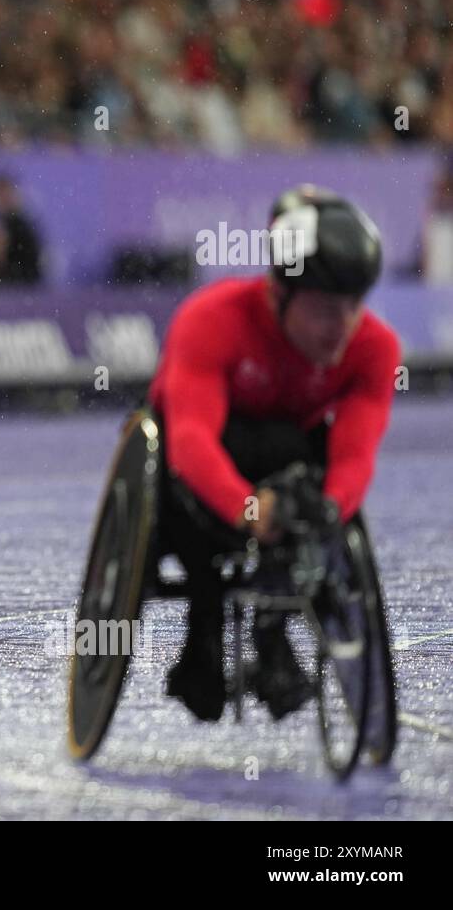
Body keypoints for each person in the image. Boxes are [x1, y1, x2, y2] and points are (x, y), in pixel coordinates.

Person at [148, 185, 400, 721]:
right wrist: (246, 509)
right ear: (276, 293)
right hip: (196, 485)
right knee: (230, 456)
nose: (343, 326)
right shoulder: (211, 319)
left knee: (303, 460)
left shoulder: (373, 349)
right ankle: (205, 629)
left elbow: (356, 454)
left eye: (354, 306)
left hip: (284, 463)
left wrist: (328, 510)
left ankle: (273, 634)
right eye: (325, 309)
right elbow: (189, 442)